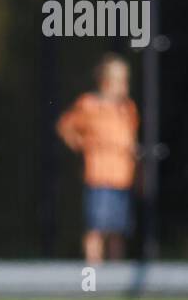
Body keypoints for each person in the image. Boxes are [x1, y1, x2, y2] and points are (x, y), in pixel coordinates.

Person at [56, 53, 140, 264]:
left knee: (118, 230)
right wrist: (84, 145)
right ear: (104, 81)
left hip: (122, 178)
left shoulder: (128, 109)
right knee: (96, 228)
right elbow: (65, 127)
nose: (124, 85)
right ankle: (93, 276)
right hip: (98, 176)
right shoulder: (89, 105)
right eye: (119, 80)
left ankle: (115, 280)